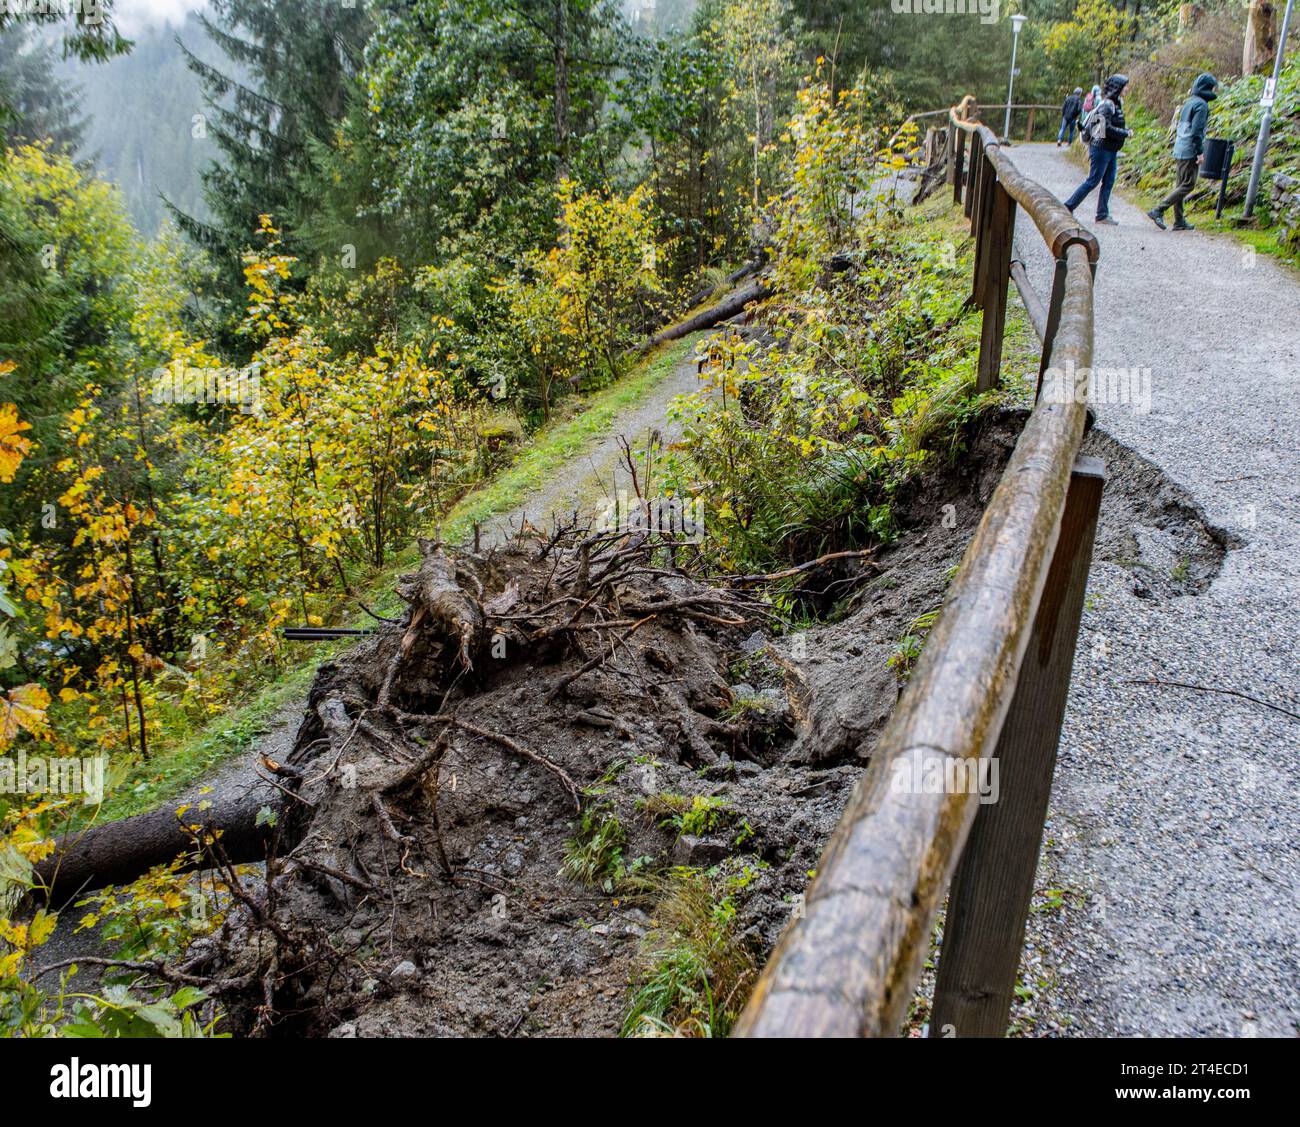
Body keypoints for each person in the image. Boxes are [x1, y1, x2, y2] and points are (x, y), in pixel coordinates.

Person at [1147, 73, 1219, 231]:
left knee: (1180, 185)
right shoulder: (1201, 105)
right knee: (1187, 185)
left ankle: (1179, 221)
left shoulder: (1190, 102)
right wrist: (1199, 152)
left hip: (1179, 147)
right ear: (1207, 88)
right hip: (1189, 149)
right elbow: (1197, 131)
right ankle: (1158, 210)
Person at [1063, 74, 1131, 227]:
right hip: (1101, 148)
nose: (1127, 89)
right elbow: (1103, 128)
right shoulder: (1107, 105)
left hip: (1111, 149)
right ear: (1117, 87)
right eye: (1125, 86)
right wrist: (1125, 133)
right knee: (1093, 180)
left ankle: (1102, 214)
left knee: (1109, 181)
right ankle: (1068, 206)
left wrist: (1124, 130)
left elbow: (1112, 124)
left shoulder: (1116, 103)